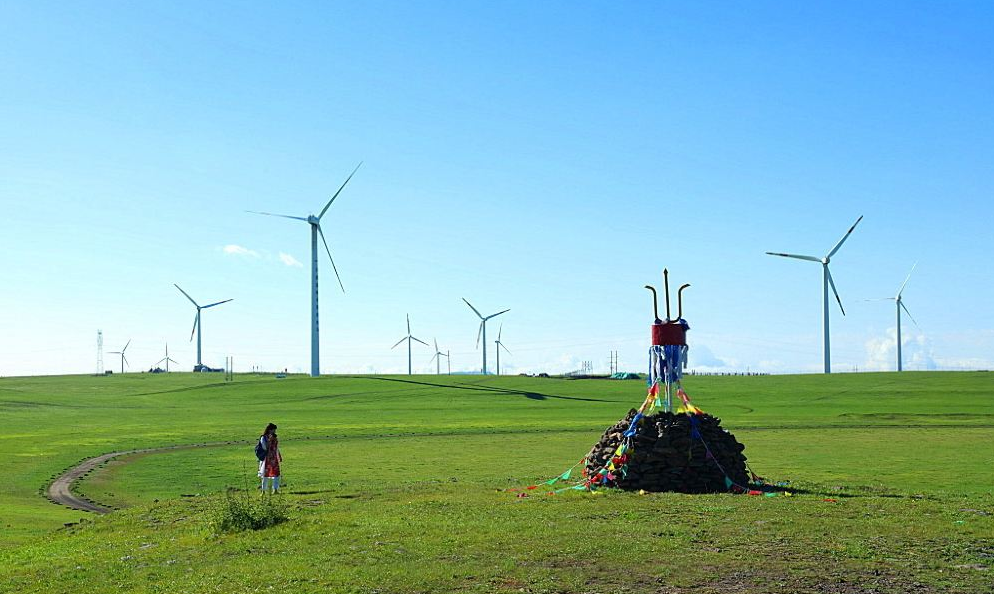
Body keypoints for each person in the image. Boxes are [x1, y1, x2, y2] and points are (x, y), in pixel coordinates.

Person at [257, 423, 283, 494]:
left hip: (274, 458)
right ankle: (263, 491)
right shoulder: (264, 438)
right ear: (269, 430)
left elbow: (276, 448)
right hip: (266, 459)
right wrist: (269, 441)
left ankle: (275, 489)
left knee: (276, 474)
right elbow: (264, 447)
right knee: (265, 475)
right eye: (273, 430)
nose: (274, 432)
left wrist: (279, 456)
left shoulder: (275, 437)